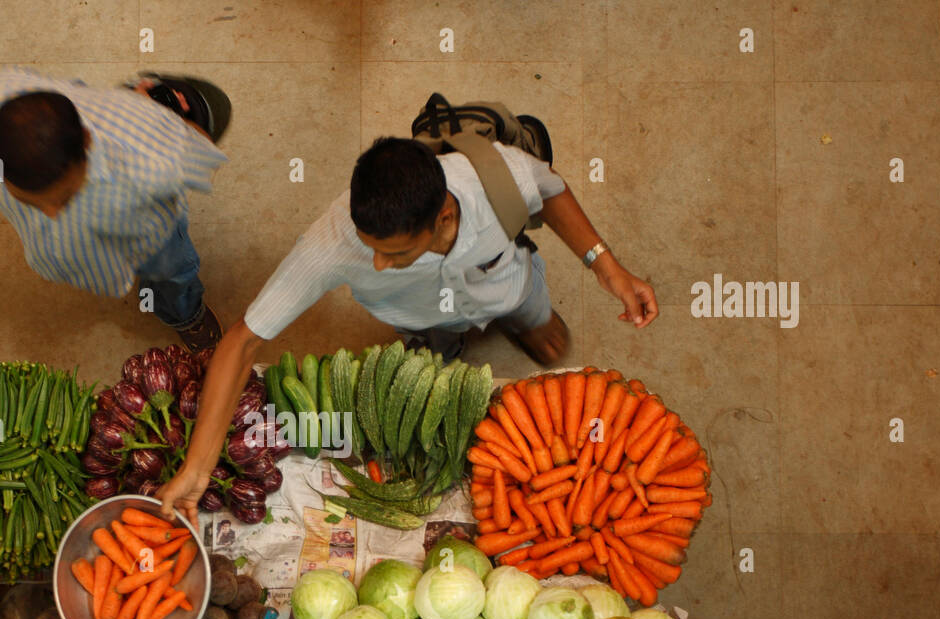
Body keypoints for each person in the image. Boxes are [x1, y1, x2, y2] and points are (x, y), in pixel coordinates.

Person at [158, 136, 659, 522]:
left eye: (395, 253)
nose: (374, 264)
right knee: (431, 355)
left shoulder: (498, 177)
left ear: (443, 218)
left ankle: (527, 320)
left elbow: (551, 191)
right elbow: (243, 341)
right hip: (417, 316)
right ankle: (444, 340)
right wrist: (197, 469)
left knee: (533, 315)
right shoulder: (332, 244)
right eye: (368, 246)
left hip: (509, 286)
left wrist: (604, 265)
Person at [0, 68, 232, 349]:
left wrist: (159, 116)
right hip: (100, 112)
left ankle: (183, 313)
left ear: (86, 139)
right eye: (30, 198)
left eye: (65, 197)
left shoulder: (156, 166)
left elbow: (200, 152)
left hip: (150, 226)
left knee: (171, 269)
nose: (52, 215)